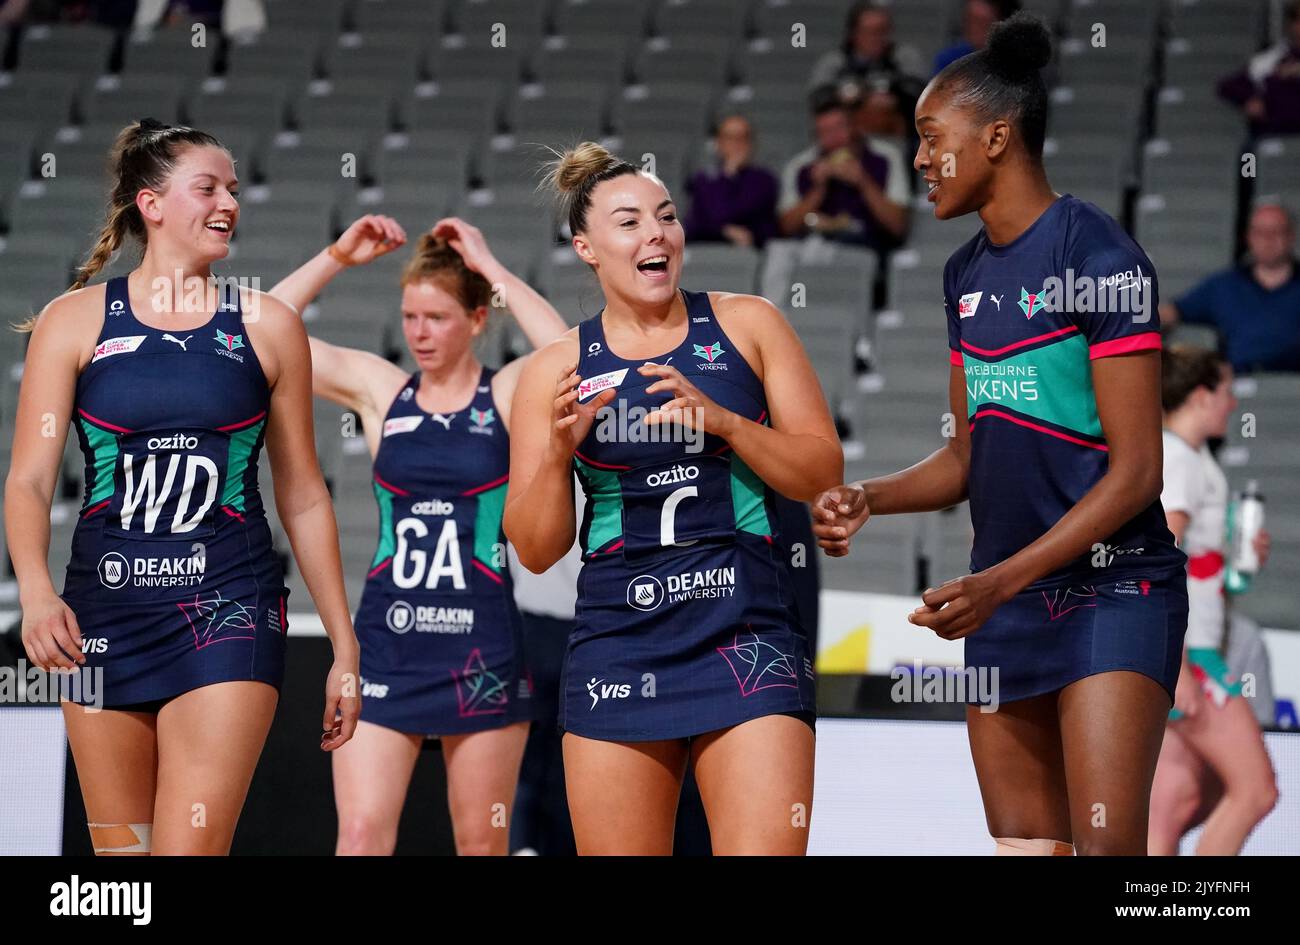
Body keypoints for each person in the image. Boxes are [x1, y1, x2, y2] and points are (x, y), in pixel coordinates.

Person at [813, 14, 1189, 856]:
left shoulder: (1100, 257)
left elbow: (1136, 474)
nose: (917, 159)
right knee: (1026, 850)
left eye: (928, 138)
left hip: (1113, 590)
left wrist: (1000, 580)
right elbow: (966, 452)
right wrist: (868, 495)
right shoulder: (963, 273)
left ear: (994, 136)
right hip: (1007, 603)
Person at [4, 119, 360, 855]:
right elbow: (31, 479)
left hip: (228, 611)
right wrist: (36, 589)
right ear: (151, 204)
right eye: (209, 187)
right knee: (123, 867)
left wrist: (344, 647)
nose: (229, 200)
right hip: (102, 617)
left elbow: (303, 493)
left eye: (234, 187)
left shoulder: (267, 324)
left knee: (187, 852)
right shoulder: (71, 322)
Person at [503, 142, 842, 855]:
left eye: (666, 216)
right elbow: (535, 550)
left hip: (746, 634)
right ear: (587, 248)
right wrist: (558, 453)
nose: (656, 233)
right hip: (619, 646)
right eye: (629, 223)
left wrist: (724, 421)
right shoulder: (555, 369)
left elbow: (818, 469)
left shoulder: (748, 323)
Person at [269, 214, 569, 855]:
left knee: (482, 845)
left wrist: (490, 268)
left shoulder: (506, 393)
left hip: (482, 647)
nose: (419, 333)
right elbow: (259, 329)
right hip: (386, 646)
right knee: (358, 836)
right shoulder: (384, 392)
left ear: (477, 320)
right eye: (410, 317)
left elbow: (571, 352)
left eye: (437, 318)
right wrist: (337, 258)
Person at [1148, 345, 1278, 855]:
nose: (1232, 405)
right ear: (1202, 395)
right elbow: (1160, 561)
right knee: (1256, 790)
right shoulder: (1179, 459)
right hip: (1191, 658)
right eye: (1226, 393)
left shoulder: (1187, 456)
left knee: (1171, 806)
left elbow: (1191, 565)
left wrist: (1232, 562)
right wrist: (1175, 664)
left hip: (1190, 651)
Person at [1160, 204, 1300, 373]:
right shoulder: (1225, 285)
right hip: (1239, 387)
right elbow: (1174, 311)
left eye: (1276, 231)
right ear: (1248, 237)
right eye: (1260, 232)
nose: (1267, 239)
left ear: (1291, 236)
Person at [777, 93, 909, 249]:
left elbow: (898, 226)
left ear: (854, 127)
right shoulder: (800, 165)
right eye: (824, 132)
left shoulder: (887, 156)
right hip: (813, 249)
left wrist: (863, 181)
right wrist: (817, 191)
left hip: (870, 249)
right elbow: (785, 228)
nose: (833, 138)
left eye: (838, 127)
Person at [807, 1, 926, 137]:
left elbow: (919, 95)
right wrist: (863, 99)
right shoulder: (834, 62)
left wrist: (894, 98)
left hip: (898, 138)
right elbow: (820, 101)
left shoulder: (904, 58)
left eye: (882, 31)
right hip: (847, 140)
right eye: (870, 31)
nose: (877, 38)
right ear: (853, 33)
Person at [682, 115, 779, 249]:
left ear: (752, 143)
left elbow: (741, 213)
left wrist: (729, 177)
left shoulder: (764, 180)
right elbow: (693, 225)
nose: (736, 144)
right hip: (708, 250)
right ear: (718, 143)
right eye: (730, 138)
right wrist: (725, 231)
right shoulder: (703, 179)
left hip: (752, 252)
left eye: (742, 138)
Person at [1217, 0, 1300, 138]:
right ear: (1292, 25)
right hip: (1277, 134)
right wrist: (1248, 99)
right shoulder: (1273, 59)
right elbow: (1227, 86)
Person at [933, 0, 1021, 76]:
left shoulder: (1017, 61)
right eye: (969, 20)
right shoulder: (950, 59)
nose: (972, 29)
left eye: (981, 23)